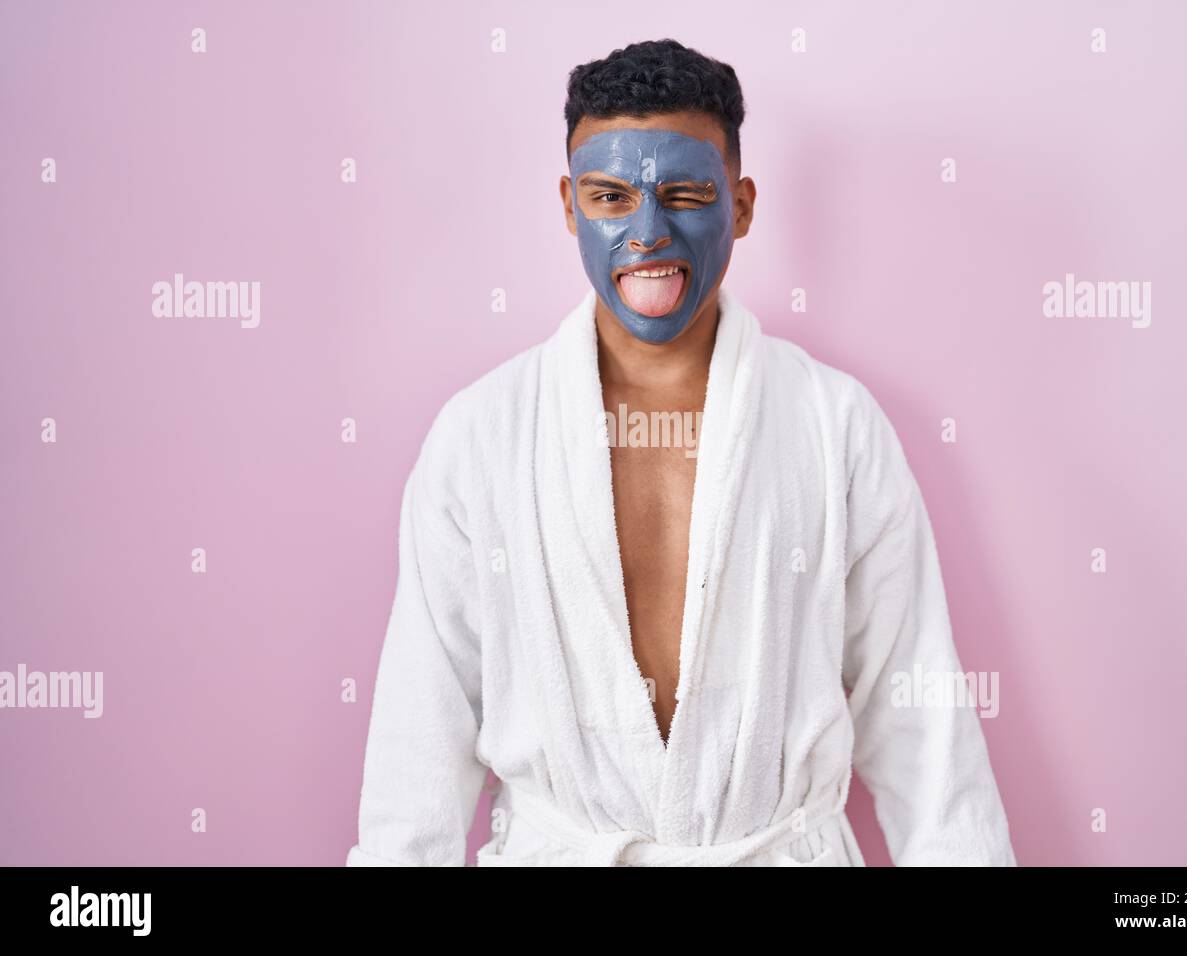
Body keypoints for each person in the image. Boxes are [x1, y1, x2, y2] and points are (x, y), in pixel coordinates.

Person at [346, 38, 1015, 866]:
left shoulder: (832, 424)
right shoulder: (481, 436)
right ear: (568, 204)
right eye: (611, 195)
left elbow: (923, 727)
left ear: (740, 205)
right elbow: (421, 746)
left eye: (686, 193)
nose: (647, 232)